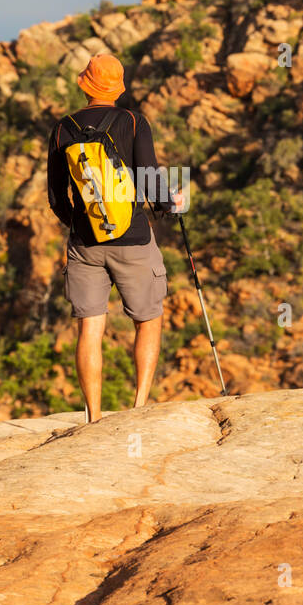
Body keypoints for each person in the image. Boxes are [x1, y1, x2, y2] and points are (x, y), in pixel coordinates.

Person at [47, 53, 182, 422]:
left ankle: (93, 416)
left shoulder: (62, 129)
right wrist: (171, 204)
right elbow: (150, 177)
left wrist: (81, 223)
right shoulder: (134, 122)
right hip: (134, 239)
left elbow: (56, 197)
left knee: (90, 326)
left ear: (85, 84)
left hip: (85, 242)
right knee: (148, 319)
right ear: (117, 87)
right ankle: (139, 407)